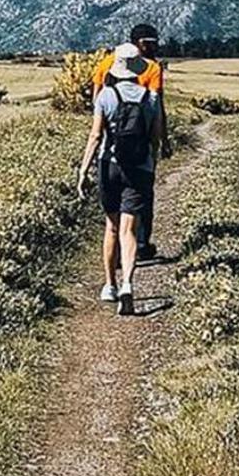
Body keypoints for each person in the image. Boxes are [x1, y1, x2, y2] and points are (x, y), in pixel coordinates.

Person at [78, 43, 157, 316]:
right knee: (129, 230)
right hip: (139, 168)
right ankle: (128, 284)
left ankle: (110, 284)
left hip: (109, 166)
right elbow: (154, 139)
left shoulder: (106, 97)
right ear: (138, 69)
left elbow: (95, 137)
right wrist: (151, 166)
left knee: (111, 227)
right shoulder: (151, 98)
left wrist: (83, 170)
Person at [92, 23, 169, 260]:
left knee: (112, 204)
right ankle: (141, 244)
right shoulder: (152, 68)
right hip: (140, 144)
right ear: (139, 43)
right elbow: (158, 106)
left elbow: (96, 96)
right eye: (150, 42)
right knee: (141, 195)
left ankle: (113, 251)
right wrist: (162, 141)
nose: (154, 47)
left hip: (110, 140)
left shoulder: (106, 63)